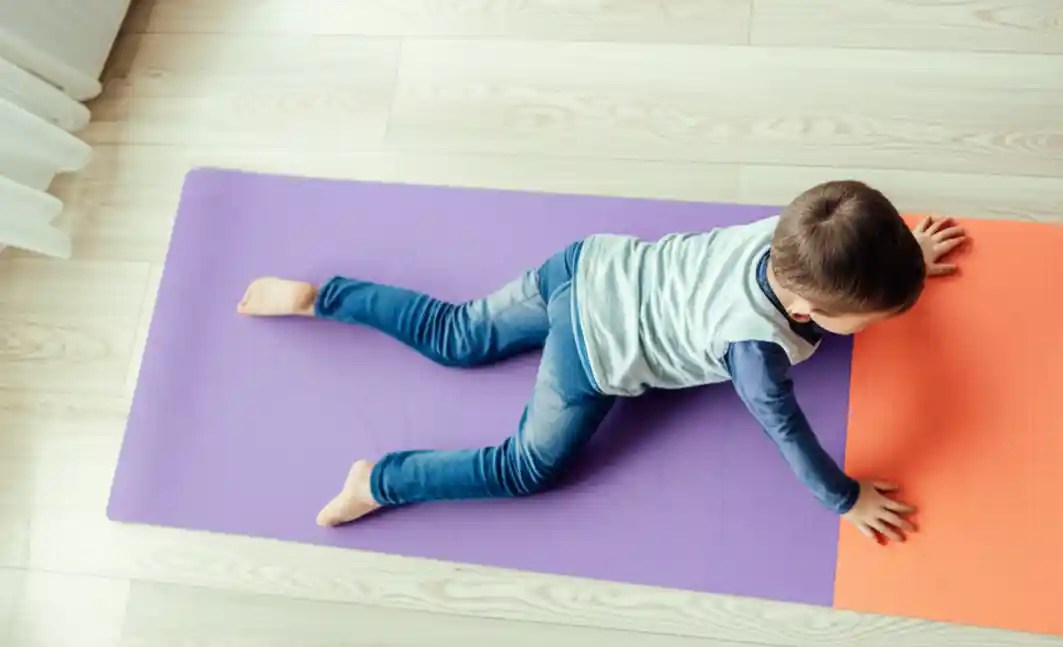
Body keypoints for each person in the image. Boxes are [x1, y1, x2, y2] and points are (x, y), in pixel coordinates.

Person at [236, 180, 968, 541]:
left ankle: (320, 298)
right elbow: (789, 435)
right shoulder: (758, 351)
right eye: (870, 319)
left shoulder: (792, 231)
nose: (876, 326)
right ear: (808, 315)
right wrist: (845, 499)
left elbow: (847, 239)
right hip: (594, 350)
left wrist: (899, 262)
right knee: (526, 468)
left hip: (583, 267)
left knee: (456, 333)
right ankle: (382, 479)